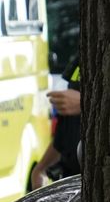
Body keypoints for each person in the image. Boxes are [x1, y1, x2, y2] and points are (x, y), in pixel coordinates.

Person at [30, 58, 81, 189]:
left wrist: (83, 103)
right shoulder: (85, 54)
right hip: (72, 185)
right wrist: (41, 168)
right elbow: (64, 134)